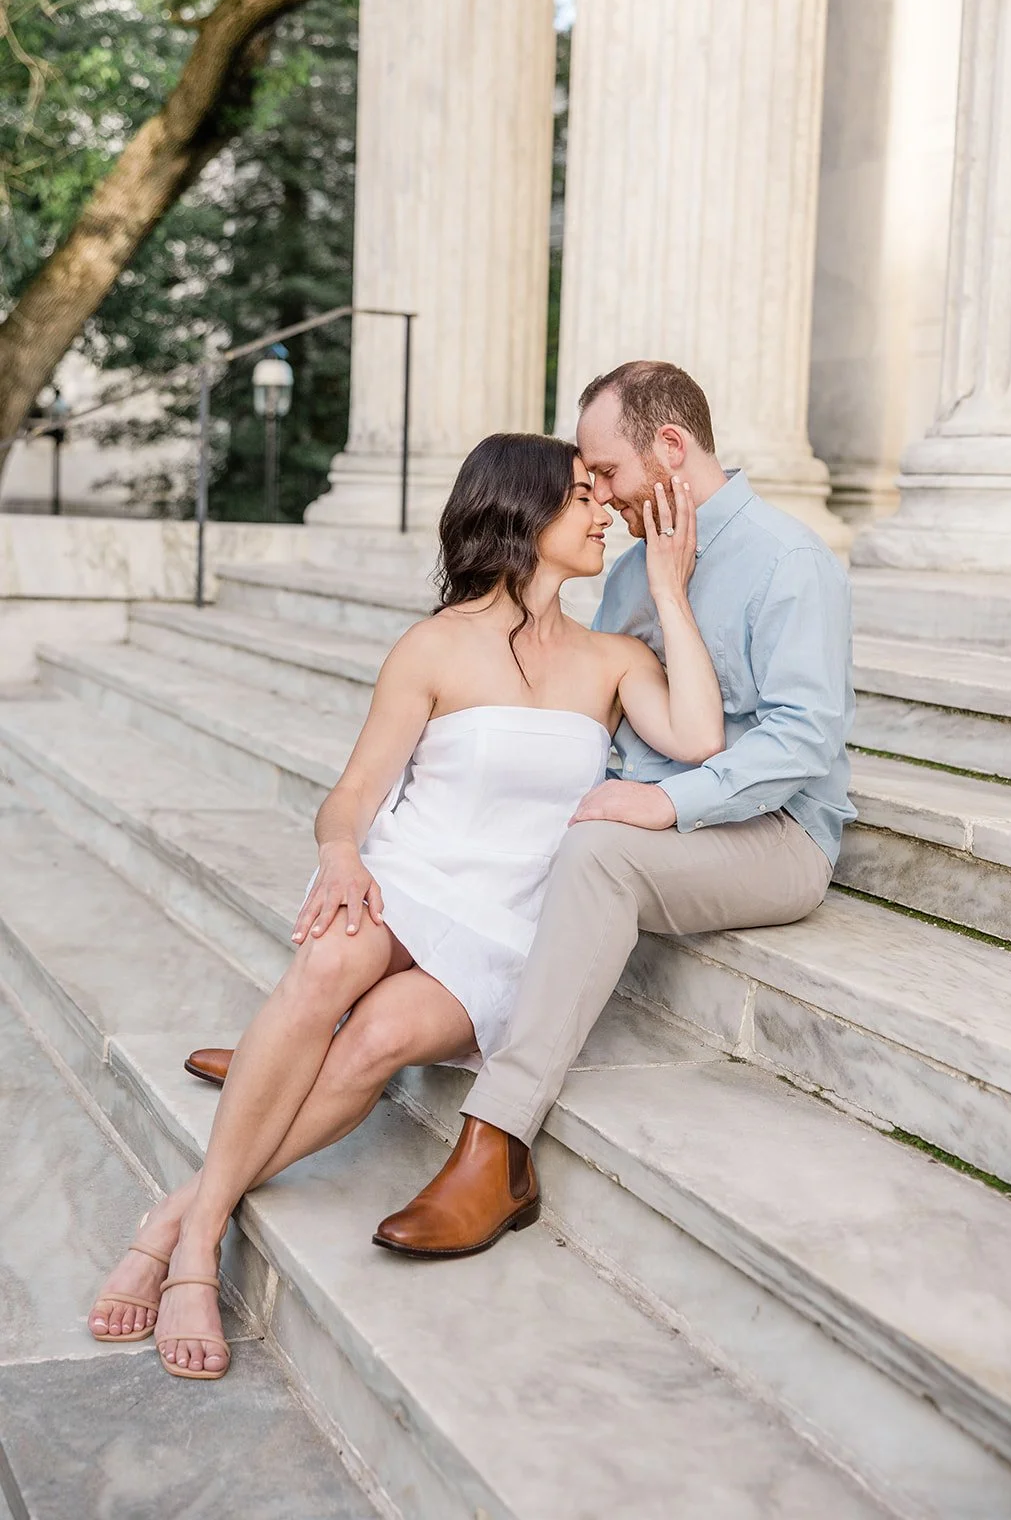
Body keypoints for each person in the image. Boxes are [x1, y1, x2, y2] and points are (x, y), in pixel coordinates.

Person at [87, 428, 724, 1377]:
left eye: (602, 496)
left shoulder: (612, 660)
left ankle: (176, 1216)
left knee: (377, 1042)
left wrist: (669, 590)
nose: (604, 514)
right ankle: (191, 1246)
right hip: (406, 875)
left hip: (509, 923)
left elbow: (701, 738)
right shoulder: (432, 646)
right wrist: (342, 858)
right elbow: (350, 797)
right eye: (583, 498)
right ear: (522, 511)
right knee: (329, 964)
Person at [367, 360, 855, 1257]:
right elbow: (621, 707)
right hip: (651, 813)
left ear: (670, 448)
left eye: (606, 472)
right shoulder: (629, 572)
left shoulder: (789, 562)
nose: (596, 493)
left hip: (774, 835)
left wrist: (665, 806)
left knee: (595, 854)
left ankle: (497, 1143)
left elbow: (801, 742)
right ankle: (331, 1049)